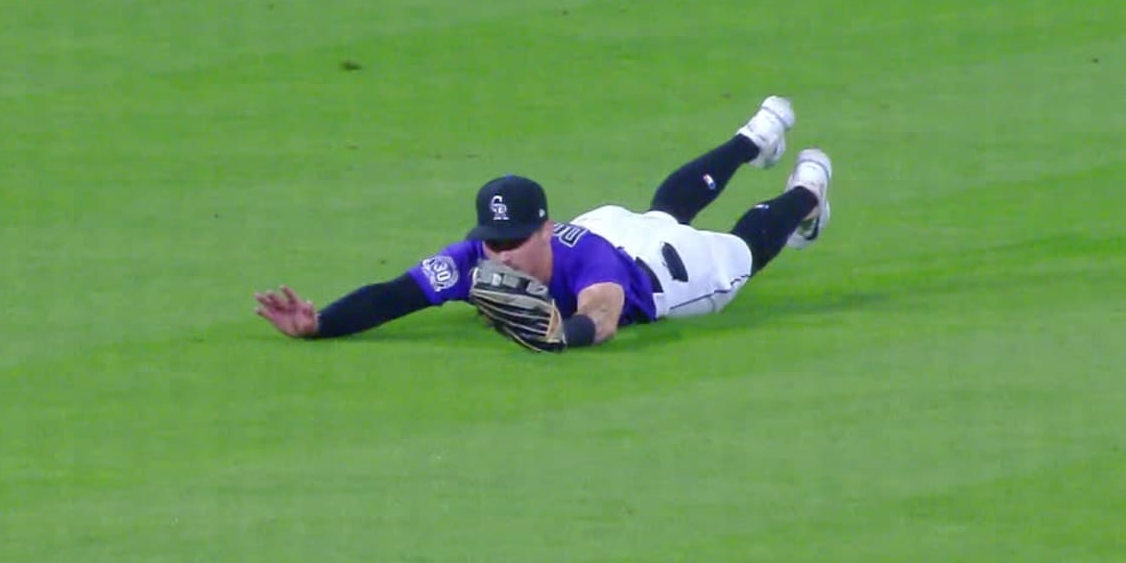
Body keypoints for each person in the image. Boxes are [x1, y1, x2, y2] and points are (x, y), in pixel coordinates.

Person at [254, 95, 832, 348]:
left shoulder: (590, 263)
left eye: (512, 241)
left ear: (544, 230)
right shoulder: (472, 258)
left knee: (741, 252)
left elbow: (602, 316)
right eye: (491, 241)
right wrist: (321, 323)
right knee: (662, 208)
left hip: (668, 274)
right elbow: (395, 295)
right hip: (613, 222)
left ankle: (808, 192)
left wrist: (561, 336)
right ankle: (750, 142)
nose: (499, 254)